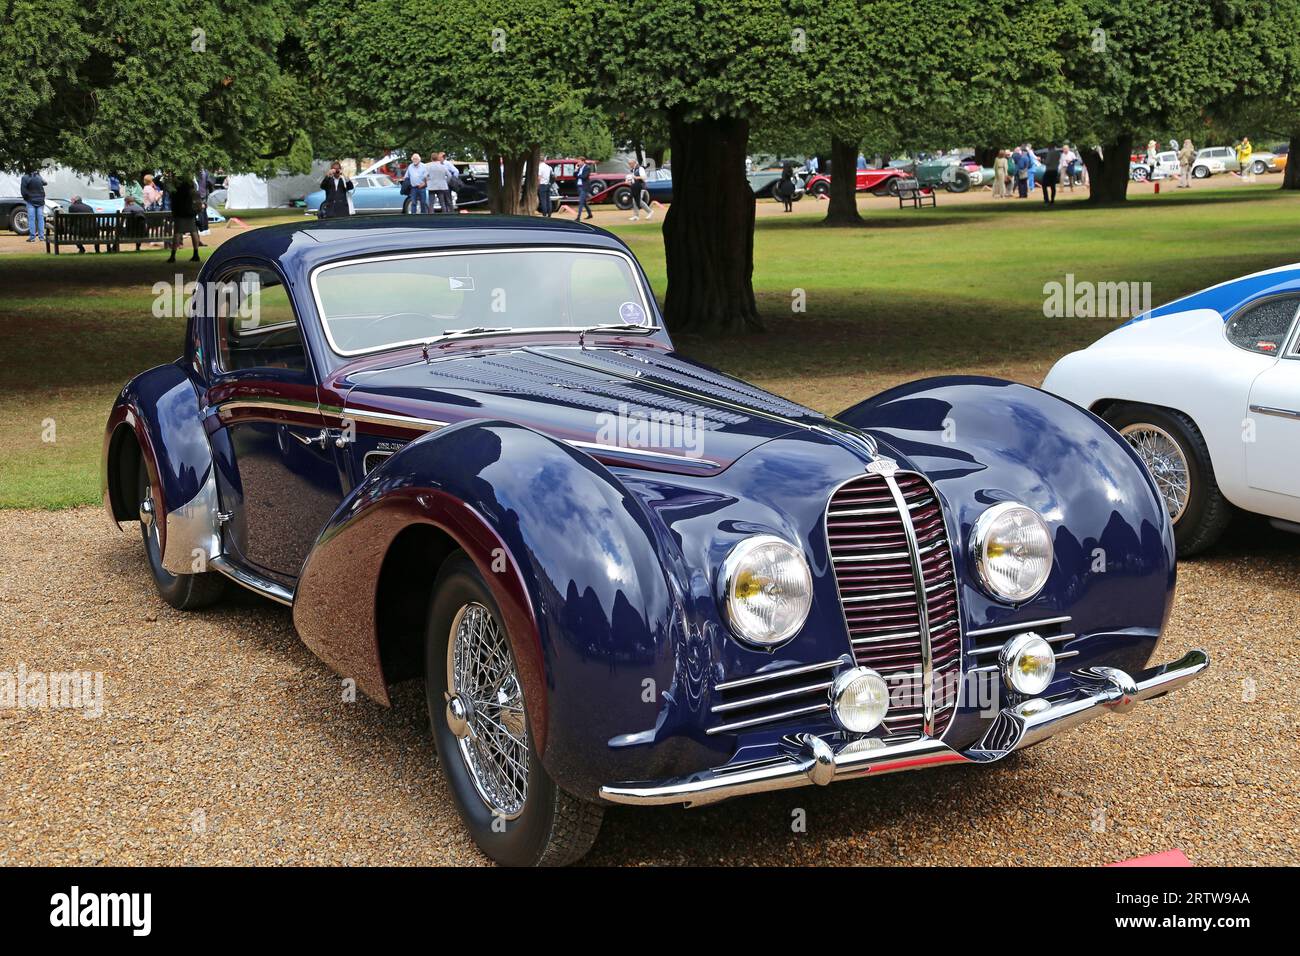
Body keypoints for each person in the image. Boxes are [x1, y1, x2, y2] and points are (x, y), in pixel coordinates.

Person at [167, 176, 201, 263]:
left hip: (180, 213)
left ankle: (173, 255)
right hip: (191, 213)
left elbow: (173, 203)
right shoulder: (193, 192)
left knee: (177, 233)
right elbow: (198, 204)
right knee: (194, 232)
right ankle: (196, 254)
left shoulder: (176, 192)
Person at [19, 166, 47, 242]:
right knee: (40, 219)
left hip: (30, 200)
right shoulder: (38, 177)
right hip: (40, 200)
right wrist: (39, 175)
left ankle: (32, 237)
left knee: (32, 219)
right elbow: (45, 183)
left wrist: (26, 198)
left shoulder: (25, 177)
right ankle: (41, 237)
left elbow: (23, 190)